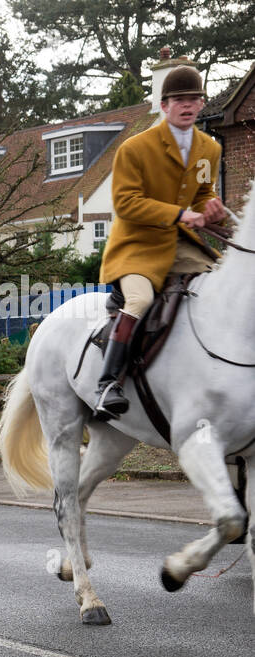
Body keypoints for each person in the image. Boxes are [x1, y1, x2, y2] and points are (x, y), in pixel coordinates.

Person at [95, 64, 227, 418]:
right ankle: (108, 382)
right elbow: (125, 203)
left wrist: (210, 209)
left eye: (194, 99)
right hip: (136, 244)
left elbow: (202, 194)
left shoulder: (209, 149)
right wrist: (181, 214)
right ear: (164, 105)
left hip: (179, 244)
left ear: (201, 104)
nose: (187, 105)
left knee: (227, 289)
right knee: (139, 300)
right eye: (179, 100)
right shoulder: (135, 148)